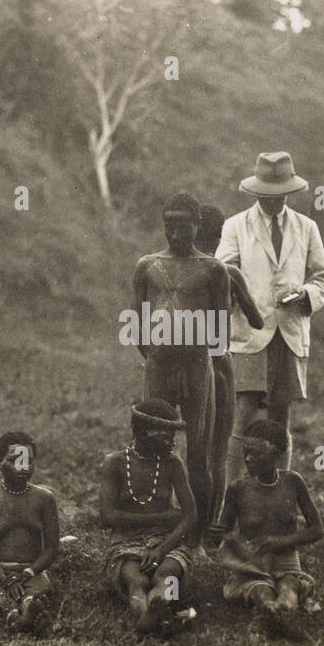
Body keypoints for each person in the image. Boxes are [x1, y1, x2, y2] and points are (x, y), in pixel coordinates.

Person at [215, 151, 324, 482]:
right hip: (251, 334)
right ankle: (233, 493)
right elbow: (222, 272)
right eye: (265, 196)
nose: (271, 202)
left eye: (278, 195)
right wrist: (241, 292)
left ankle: (279, 491)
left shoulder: (306, 228)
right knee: (245, 413)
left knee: (281, 416)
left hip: (290, 333)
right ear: (255, 194)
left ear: (288, 193)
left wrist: (303, 295)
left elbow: (323, 280)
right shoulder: (236, 227)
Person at [132, 193, 230, 540]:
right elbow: (138, 323)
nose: (175, 234)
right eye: (169, 225)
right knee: (153, 443)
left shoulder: (214, 270)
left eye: (183, 226)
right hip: (158, 364)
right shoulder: (147, 265)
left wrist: (196, 359)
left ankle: (198, 537)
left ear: (197, 226)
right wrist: (159, 357)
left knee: (198, 452)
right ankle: (156, 529)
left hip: (197, 365)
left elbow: (221, 329)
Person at [208, 419, 324, 639]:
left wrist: (282, 542)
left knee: (289, 589)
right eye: (245, 452)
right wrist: (217, 534)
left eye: (256, 454)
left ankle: (282, 615)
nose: (248, 459)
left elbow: (317, 530)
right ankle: (272, 614)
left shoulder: (292, 482)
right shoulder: (238, 489)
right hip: (253, 562)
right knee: (262, 592)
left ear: (276, 455)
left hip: (286, 560)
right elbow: (224, 529)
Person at [98, 400, 199, 635]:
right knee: (136, 580)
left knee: (169, 574)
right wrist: (163, 517)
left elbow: (190, 515)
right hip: (126, 543)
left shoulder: (172, 463)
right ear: (142, 433)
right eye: (165, 436)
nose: (172, 442)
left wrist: (162, 549)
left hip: (166, 542)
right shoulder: (115, 463)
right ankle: (152, 615)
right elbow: (107, 516)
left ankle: (155, 611)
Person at [196, 204, 264, 528]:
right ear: (221, 235)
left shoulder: (179, 270)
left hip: (186, 363)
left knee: (190, 447)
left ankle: (187, 522)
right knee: (217, 452)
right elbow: (256, 320)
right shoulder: (229, 273)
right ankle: (210, 526)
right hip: (219, 362)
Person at [0, 432, 60, 633]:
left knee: (35, 594)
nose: (22, 466)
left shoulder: (44, 499)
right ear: (0, 462)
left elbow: (52, 547)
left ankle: (25, 613)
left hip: (32, 574)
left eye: (28, 460)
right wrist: (4, 578)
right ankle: (11, 615)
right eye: (14, 460)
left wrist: (29, 572)